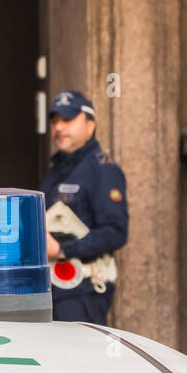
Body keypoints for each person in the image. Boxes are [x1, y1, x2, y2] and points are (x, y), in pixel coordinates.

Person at [39, 90, 128, 324]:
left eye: (67, 120)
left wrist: (61, 250)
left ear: (91, 125)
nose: (59, 127)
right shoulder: (55, 172)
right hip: (50, 290)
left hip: (83, 292)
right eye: (55, 121)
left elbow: (115, 233)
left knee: (79, 360)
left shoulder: (103, 170)